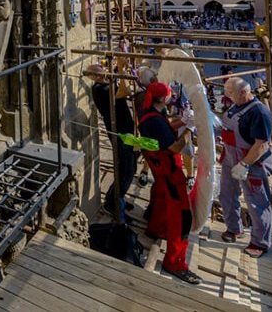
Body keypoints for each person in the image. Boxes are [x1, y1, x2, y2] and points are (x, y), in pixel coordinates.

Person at [136, 82, 202, 285]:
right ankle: (175, 262)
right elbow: (174, 147)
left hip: (161, 173)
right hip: (171, 174)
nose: (171, 95)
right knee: (181, 218)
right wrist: (188, 130)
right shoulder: (156, 119)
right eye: (168, 93)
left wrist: (180, 122)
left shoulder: (148, 112)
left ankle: (156, 229)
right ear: (162, 98)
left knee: (161, 200)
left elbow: (162, 128)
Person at [218, 77, 272, 258]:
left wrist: (244, 164)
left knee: (256, 202)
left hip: (251, 162)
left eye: (231, 92)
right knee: (226, 194)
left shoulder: (259, 112)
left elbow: (261, 145)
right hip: (230, 157)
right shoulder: (236, 105)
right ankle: (234, 228)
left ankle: (260, 242)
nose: (227, 96)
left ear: (243, 92)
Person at [87, 63, 137, 214]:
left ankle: (117, 197)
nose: (105, 72)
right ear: (95, 77)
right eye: (100, 72)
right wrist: (122, 69)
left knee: (130, 166)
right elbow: (126, 91)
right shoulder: (101, 89)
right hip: (120, 133)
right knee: (127, 169)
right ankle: (112, 202)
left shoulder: (106, 84)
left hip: (126, 130)